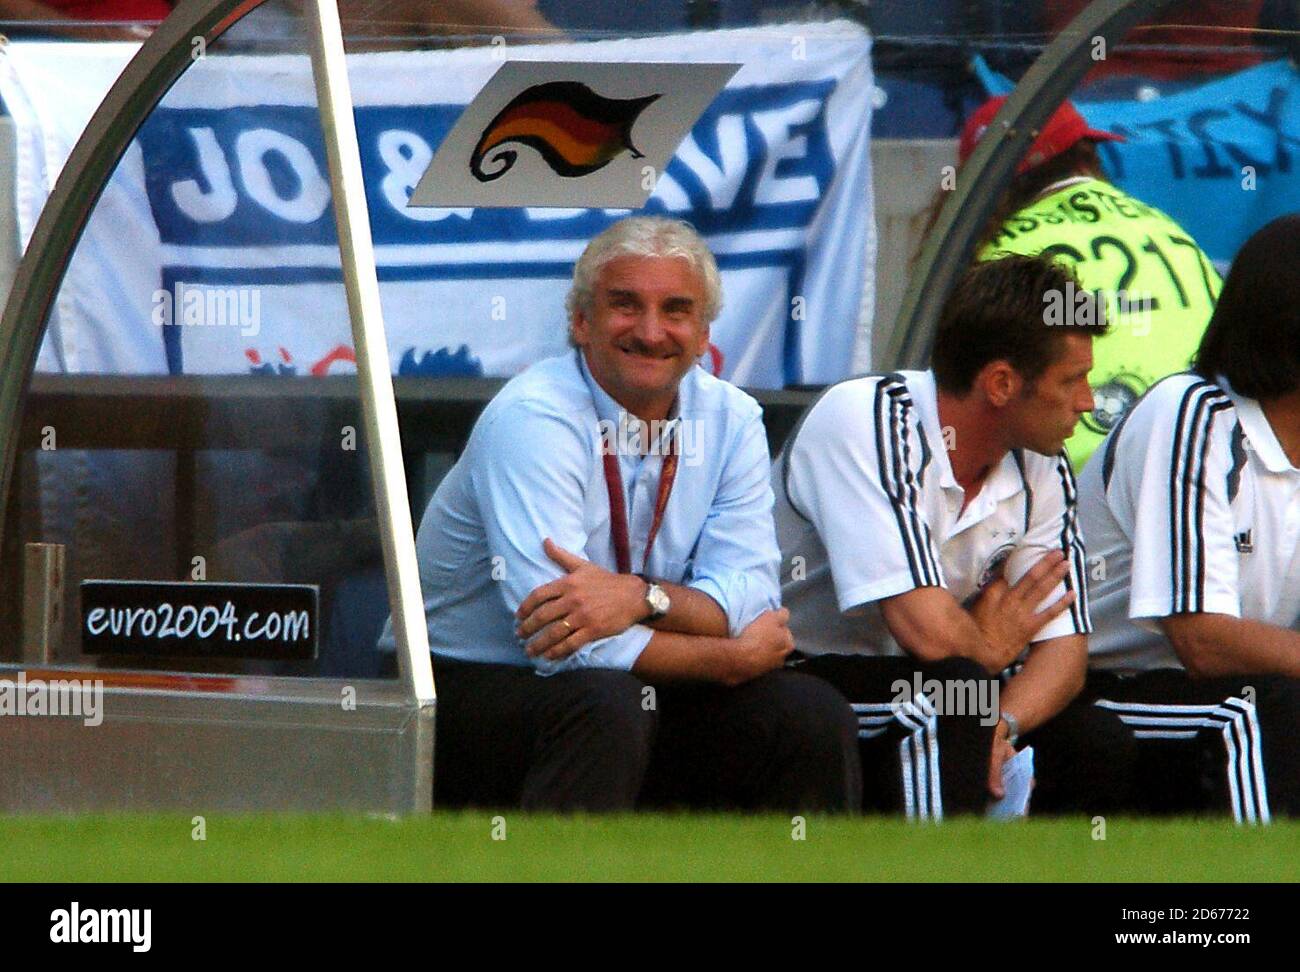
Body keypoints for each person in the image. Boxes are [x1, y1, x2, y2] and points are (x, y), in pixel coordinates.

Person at [379, 215, 861, 813]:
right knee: (607, 706)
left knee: (809, 715)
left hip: (630, 678)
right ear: (582, 322)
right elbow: (562, 641)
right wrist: (729, 658)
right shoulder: (534, 417)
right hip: (454, 684)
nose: (652, 331)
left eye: (677, 310)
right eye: (625, 305)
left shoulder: (732, 419)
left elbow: (751, 599)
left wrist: (641, 597)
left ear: (705, 330)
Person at [775, 253, 1134, 817]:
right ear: (1000, 384)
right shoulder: (866, 419)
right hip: (801, 673)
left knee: (1096, 737)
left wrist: (1004, 724)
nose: (1088, 401)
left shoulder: (1043, 460)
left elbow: (1064, 652)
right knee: (949, 703)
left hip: (943, 681)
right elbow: (928, 633)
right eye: (1072, 380)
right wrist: (989, 651)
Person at [1064, 214, 1300, 821]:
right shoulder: (1194, 415)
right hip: (1102, 689)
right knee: (1264, 708)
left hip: (1224, 687)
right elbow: (1202, 640)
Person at [957, 95, 1221, 470]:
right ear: (1085, 158)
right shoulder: (1167, 231)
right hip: (1211, 467)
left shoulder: (998, 254)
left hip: (1075, 487)